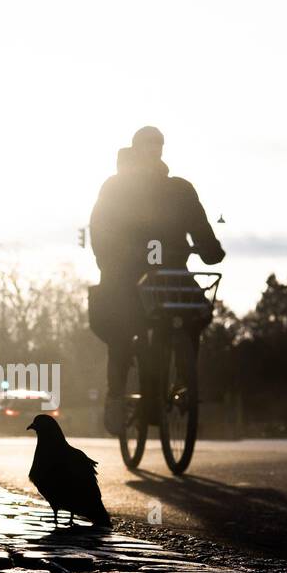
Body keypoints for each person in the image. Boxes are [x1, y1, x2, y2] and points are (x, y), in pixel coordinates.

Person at [89, 126, 225, 435]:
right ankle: (117, 396)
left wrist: (210, 249)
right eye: (148, 146)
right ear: (136, 149)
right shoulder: (116, 187)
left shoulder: (180, 189)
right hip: (126, 274)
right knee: (122, 331)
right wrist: (110, 259)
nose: (154, 151)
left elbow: (199, 223)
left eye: (158, 145)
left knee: (196, 313)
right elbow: (99, 227)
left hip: (170, 273)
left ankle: (182, 380)